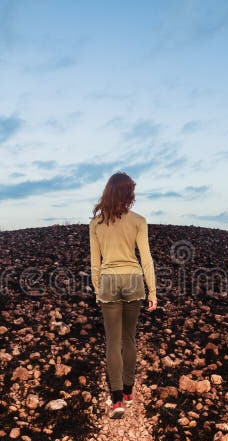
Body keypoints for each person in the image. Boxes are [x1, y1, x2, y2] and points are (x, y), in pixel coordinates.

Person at [89, 171, 157, 419]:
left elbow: (95, 262)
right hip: (133, 280)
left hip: (108, 281)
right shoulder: (139, 221)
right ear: (129, 193)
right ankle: (128, 391)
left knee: (112, 341)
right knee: (129, 338)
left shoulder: (96, 224)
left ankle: (116, 400)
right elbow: (146, 258)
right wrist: (152, 291)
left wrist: (97, 289)